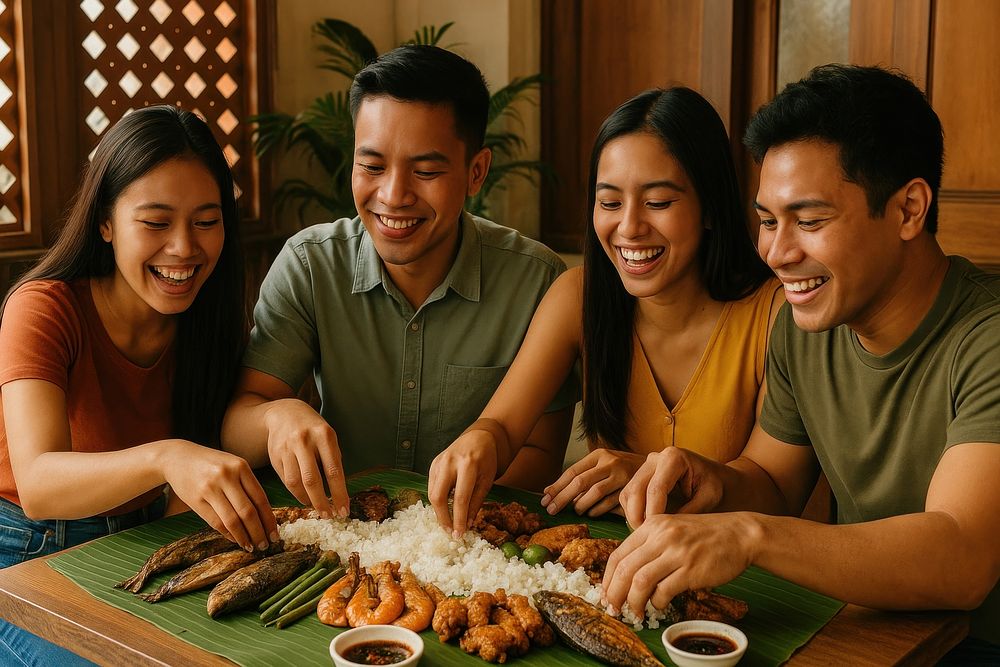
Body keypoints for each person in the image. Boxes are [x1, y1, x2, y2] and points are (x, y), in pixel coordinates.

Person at [603, 65, 1000, 663]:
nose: (776, 252)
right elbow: (771, 483)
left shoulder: (986, 339)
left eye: (809, 221)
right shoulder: (806, 323)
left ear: (909, 209)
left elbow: (963, 557)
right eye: (768, 221)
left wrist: (749, 534)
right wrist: (711, 482)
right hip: (866, 634)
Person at [221, 45, 577, 520]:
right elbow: (238, 422)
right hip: (340, 529)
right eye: (372, 167)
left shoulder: (536, 281)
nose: (392, 196)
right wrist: (275, 416)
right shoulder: (310, 265)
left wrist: (432, 525)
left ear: (476, 172)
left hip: (466, 537)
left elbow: (540, 453)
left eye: (425, 171)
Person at [428, 87, 781, 537]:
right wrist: (480, 440)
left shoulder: (775, 313)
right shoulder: (578, 296)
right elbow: (501, 425)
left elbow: (774, 490)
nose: (629, 227)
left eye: (658, 202)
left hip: (748, 567)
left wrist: (655, 477)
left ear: (710, 207)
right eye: (610, 202)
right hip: (617, 569)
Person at [0, 106, 278, 664]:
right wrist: (166, 457)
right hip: (27, 554)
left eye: (206, 221)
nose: (184, 248)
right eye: (155, 223)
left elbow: (207, 451)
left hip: (145, 540)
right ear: (105, 222)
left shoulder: (208, 317)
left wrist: (279, 417)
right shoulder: (44, 308)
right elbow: (38, 482)